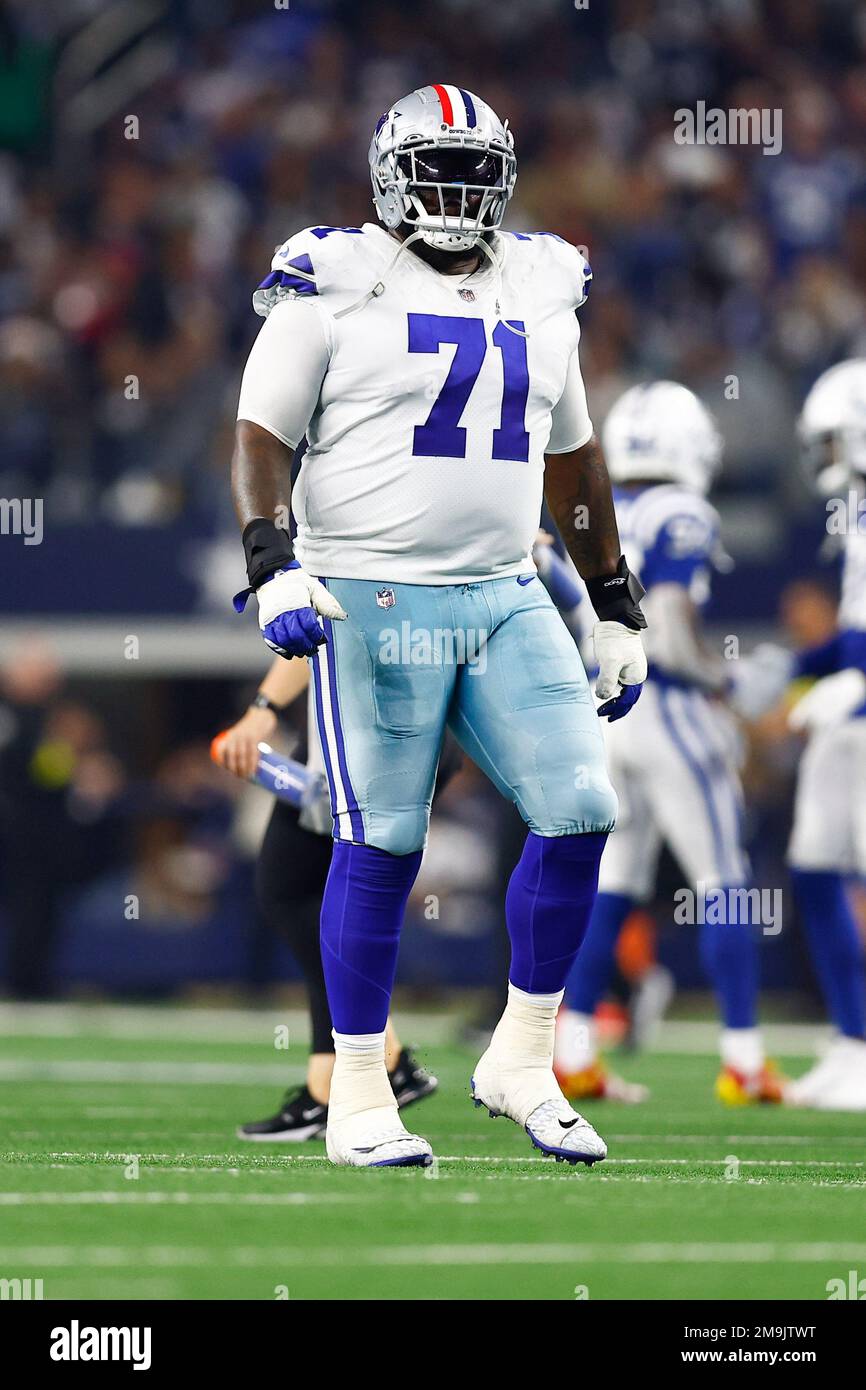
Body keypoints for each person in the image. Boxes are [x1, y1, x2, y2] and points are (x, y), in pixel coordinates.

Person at [230, 85, 647, 1168]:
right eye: (435, 170)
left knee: (580, 806)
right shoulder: (332, 274)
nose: (456, 194)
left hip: (505, 589)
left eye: (475, 173)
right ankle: (360, 1094)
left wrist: (612, 601)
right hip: (369, 589)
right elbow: (261, 434)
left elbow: (574, 459)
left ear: (504, 181)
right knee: (383, 840)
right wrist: (270, 563)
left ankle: (521, 1056)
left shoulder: (543, 281)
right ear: (386, 175)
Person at [555, 382, 783, 1105]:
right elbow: (675, 615)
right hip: (668, 706)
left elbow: (571, 591)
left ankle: (573, 1050)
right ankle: (744, 1060)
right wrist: (720, 680)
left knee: (615, 882)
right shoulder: (683, 509)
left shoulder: (610, 508)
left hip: (606, 708)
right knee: (724, 882)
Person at [215, 654, 439, 1139]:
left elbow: (317, 620)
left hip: (382, 727)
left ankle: (375, 1066)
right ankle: (340, 1076)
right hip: (352, 728)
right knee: (301, 893)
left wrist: (263, 709)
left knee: (307, 892)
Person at [782, 360, 866, 1111]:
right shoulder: (858, 513)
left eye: (835, 440)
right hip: (851, 721)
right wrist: (792, 668)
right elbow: (853, 633)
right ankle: (853, 1040)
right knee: (814, 865)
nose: (825, 456)